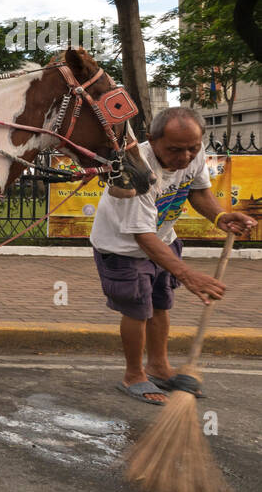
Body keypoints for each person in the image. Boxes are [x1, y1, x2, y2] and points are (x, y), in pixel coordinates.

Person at [89, 106, 256, 404]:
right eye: (175, 150)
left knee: (160, 305)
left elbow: (197, 190)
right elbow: (142, 236)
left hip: (164, 240)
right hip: (123, 248)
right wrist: (188, 274)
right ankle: (133, 374)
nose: (185, 157)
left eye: (192, 148)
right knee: (137, 309)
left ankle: (158, 366)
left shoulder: (194, 152)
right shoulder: (135, 170)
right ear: (152, 140)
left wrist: (220, 218)